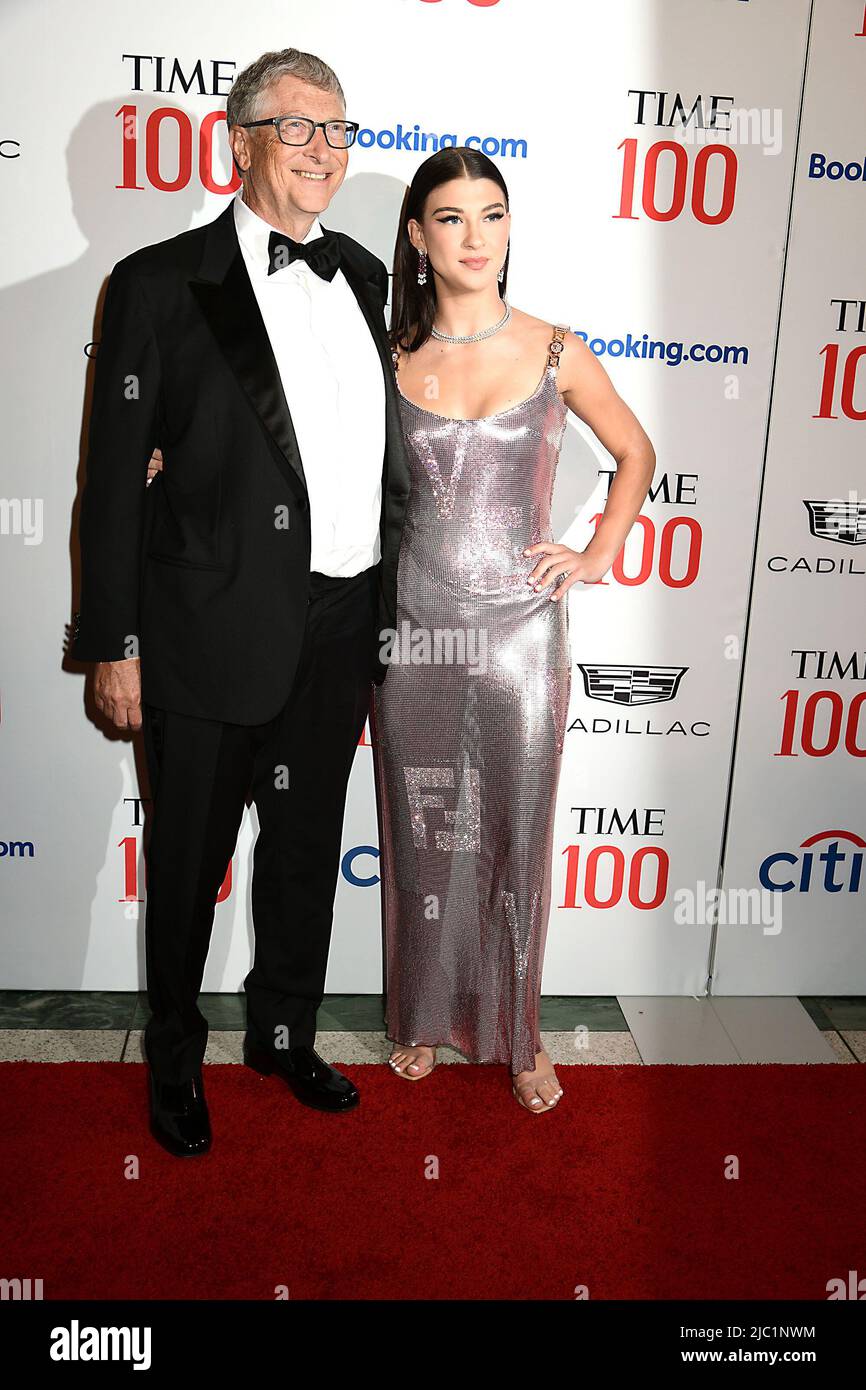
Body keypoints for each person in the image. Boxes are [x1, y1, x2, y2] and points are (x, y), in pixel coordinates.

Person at [73, 48, 410, 1156]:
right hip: (202, 632)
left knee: (306, 851)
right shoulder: (160, 283)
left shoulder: (367, 277)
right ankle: (174, 1060)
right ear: (241, 140)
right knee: (186, 865)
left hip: (339, 626)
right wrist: (112, 641)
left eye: (338, 130)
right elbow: (115, 478)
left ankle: (281, 1032)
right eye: (298, 128)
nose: (323, 151)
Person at [371, 146, 656, 1112]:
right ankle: (421, 1019)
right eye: (451, 219)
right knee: (423, 832)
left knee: (516, 839)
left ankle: (518, 1033)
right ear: (417, 237)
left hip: (522, 635)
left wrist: (594, 554)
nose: (475, 237)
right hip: (412, 629)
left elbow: (635, 452)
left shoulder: (553, 348)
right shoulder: (388, 356)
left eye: (492, 215)